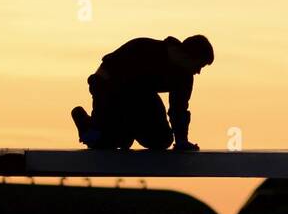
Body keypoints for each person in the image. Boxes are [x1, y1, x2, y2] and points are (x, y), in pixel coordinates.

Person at [71, 34, 213, 152]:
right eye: (199, 65)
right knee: (106, 141)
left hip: (141, 96)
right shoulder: (145, 48)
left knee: (162, 140)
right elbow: (104, 82)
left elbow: (179, 109)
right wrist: (100, 122)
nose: (198, 72)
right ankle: (90, 126)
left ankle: (121, 134)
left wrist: (182, 141)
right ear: (188, 56)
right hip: (109, 87)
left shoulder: (185, 77)